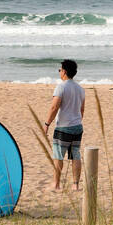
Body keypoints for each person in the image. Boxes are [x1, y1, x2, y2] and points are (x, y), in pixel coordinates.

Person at [44, 59, 85, 191]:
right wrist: (77, 121)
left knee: (58, 156)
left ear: (65, 72)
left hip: (63, 127)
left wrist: (47, 124)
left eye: (60, 70)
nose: (59, 72)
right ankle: (75, 185)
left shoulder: (61, 87)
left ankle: (56, 184)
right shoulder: (80, 89)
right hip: (77, 126)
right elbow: (82, 109)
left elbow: (54, 107)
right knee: (75, 155)